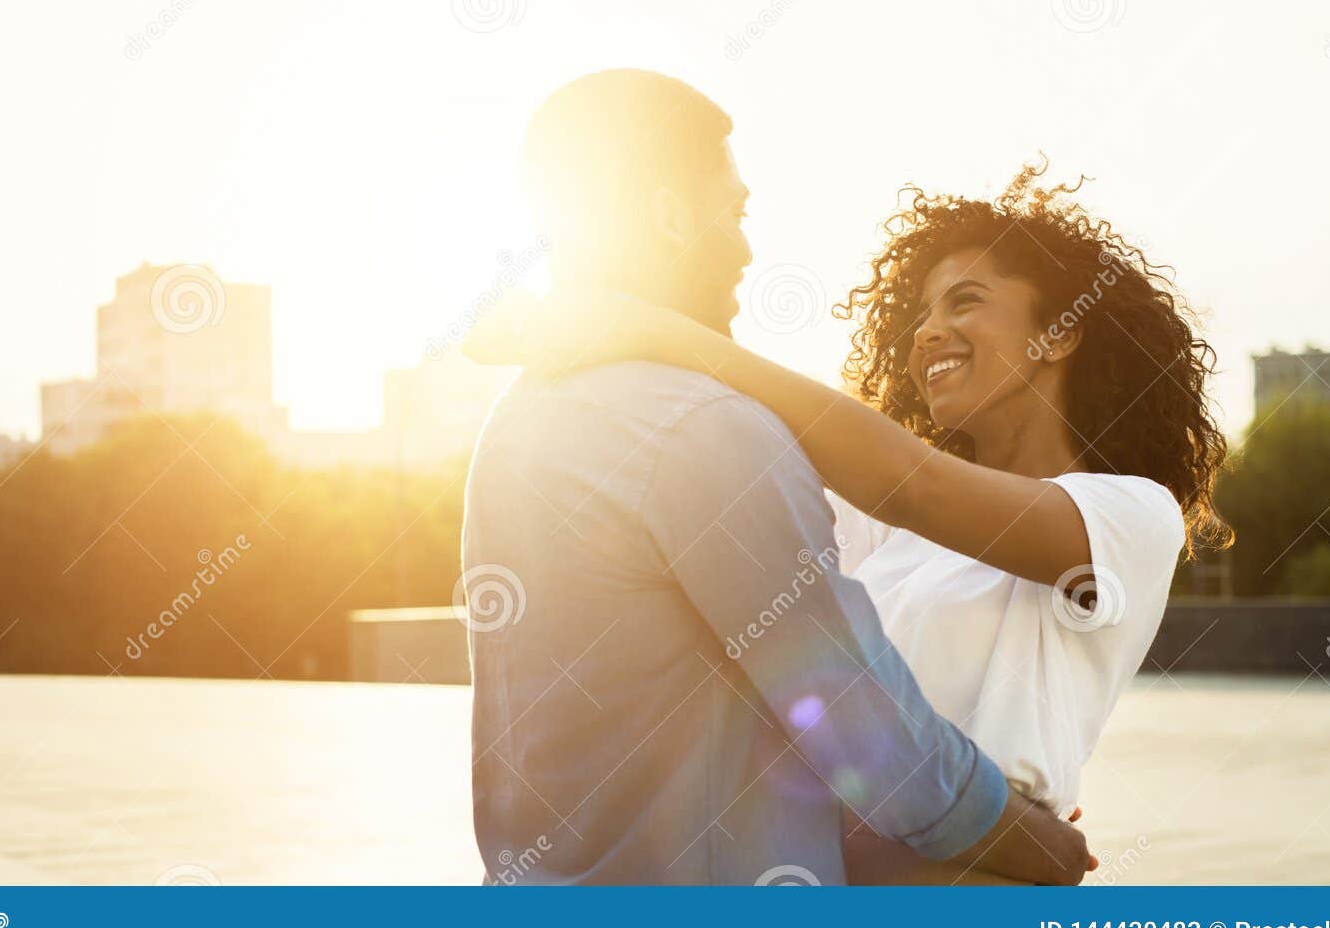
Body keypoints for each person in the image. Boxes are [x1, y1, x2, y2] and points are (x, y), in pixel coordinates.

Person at [468, 158, 1233, 883]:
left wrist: (654, 332)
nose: (926, 332)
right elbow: (737, 481)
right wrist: (565, 335)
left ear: (1060, 330)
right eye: (922, 313)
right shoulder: (887, 532)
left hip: (973, 884)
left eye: (965, 301)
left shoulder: (1130, 515)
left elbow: (910, 481)